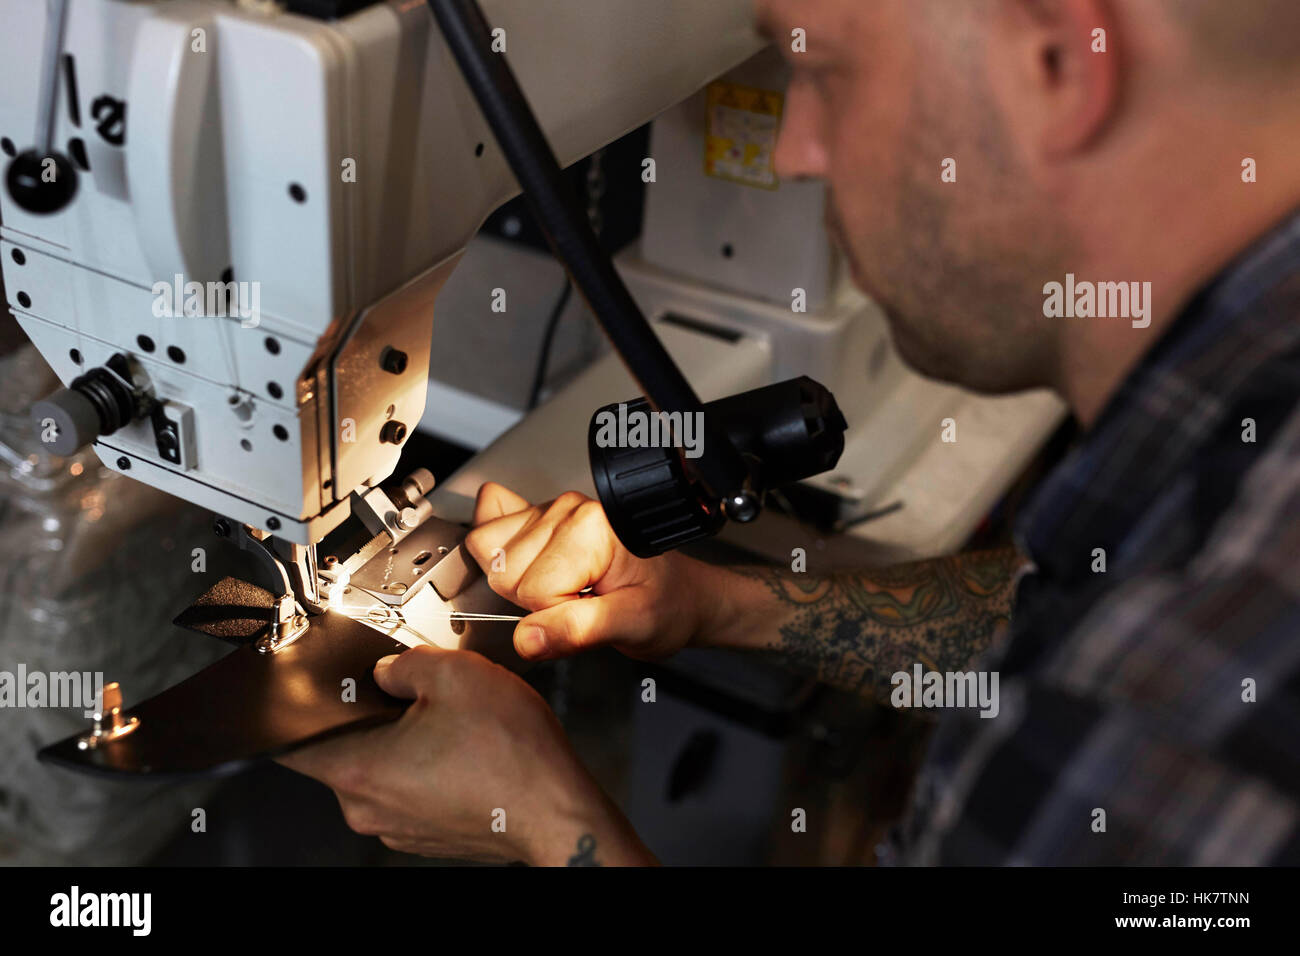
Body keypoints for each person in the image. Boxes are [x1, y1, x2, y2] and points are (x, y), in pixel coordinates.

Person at [279, 0, 1300, 865]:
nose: (790, 148)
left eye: (821, 69)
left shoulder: (1152, 739)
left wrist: (550, 826)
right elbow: (1053, 616)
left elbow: (1102, 672)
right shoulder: (1227, 432)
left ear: (1060, 63)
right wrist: (716, 602)